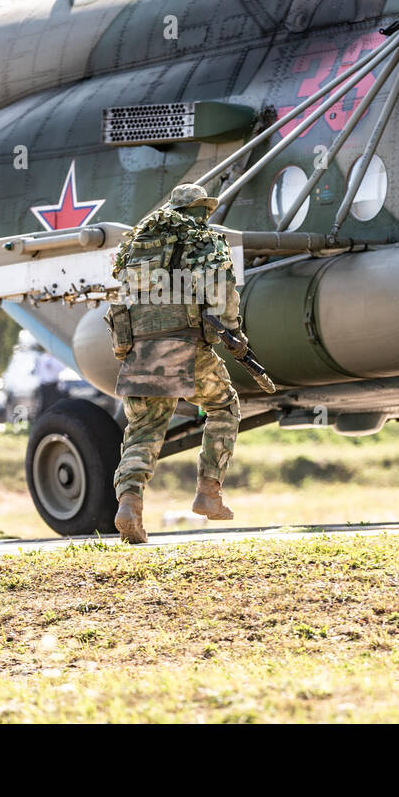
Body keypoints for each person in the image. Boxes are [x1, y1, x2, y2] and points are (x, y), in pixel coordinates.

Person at [105, 184, 250, 544]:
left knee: (143, 429)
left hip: (139, 348)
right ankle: (209, 492)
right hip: (183, 343)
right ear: (199, 210)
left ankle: (129, 505)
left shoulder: (137, 243)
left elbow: (122, 292)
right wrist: (234, 334)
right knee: (223, 405)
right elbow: (222, 292)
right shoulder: (201, 239)